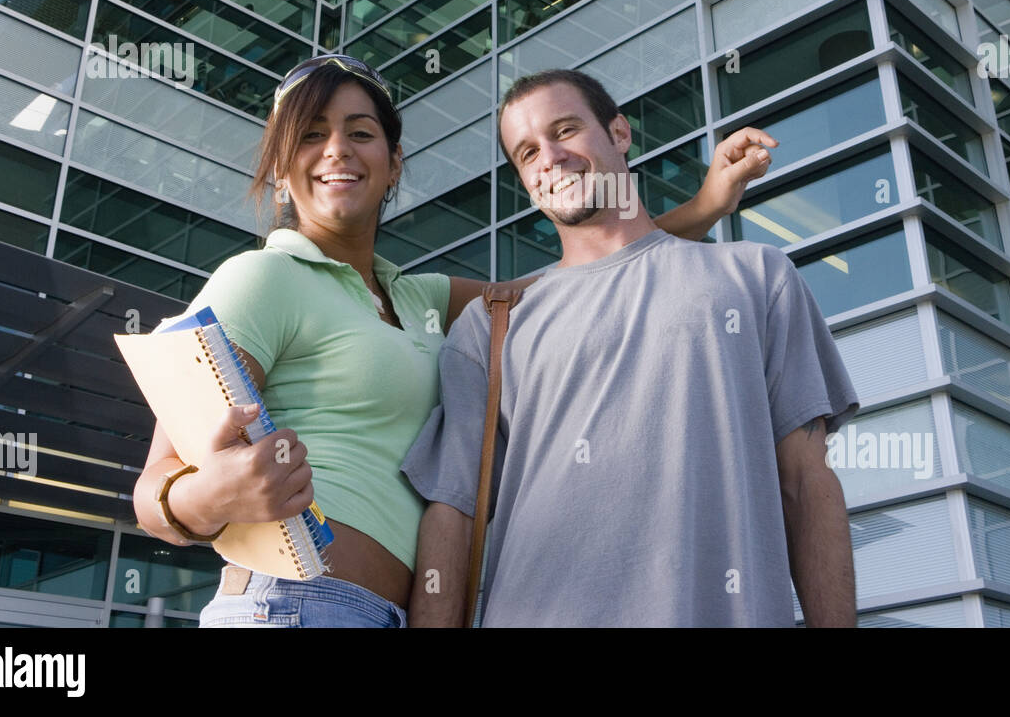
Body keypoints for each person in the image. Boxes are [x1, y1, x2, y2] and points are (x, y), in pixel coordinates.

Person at [130, 54, 777, 627]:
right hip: (294, 605)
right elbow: (153, 490)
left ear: (392, 167)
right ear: (280, 168)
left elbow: (580, 279)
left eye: (360, 133)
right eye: (311, 135)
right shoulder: (261, 278)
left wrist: (705, 206)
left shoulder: (422, 299)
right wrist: (210, 495)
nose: (337, 151)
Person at [402, 68, 860, 627]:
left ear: (619, 133)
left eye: (565, 130)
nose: (549, 157)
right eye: (527, 153)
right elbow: (453, 514)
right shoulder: (489, 326)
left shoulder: (757, 278)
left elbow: (807, 484)